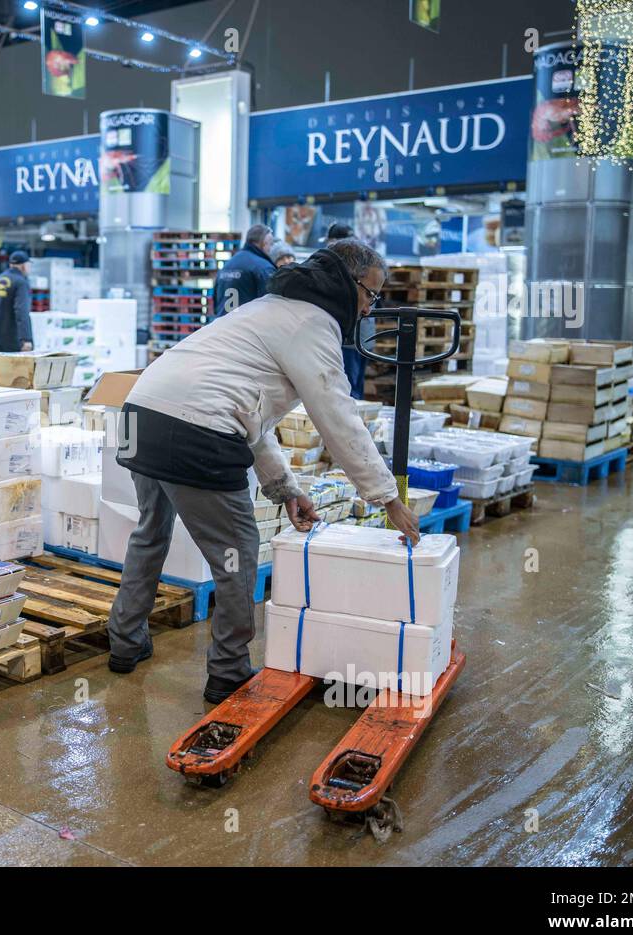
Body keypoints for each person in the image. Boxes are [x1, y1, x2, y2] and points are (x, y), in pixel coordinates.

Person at [105, 239, 421, 704]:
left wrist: (285, 488)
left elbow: (251, 419)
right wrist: (387, 498)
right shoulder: (313, 324)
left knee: (151, 532)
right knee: (237, 552)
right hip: (196, 430)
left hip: (141, 415)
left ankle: (124, 642)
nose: (370, 309)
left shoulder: (268, 309)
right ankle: (229, 671)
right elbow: (337, 416)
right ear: (345, 281)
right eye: (371, 295)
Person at [325, 223, 371, 398]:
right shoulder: (367, 258)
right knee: (356, 386)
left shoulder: (345, 263)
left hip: (348, 337)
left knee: (347, 390)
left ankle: (350, 424)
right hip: (363, 336)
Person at [0, 251, 34, 385]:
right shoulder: (21, 282)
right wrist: (26, 339)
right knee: (16, 378)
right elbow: (21, 311)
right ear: (23, 266)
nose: (29, 268)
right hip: (11, 339)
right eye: (29, 264)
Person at [213, 224, 275, 317]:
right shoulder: (263, 268)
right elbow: (271, 304)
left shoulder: (228, 265)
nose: (270, 249)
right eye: (270, 244)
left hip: (222, 326)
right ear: (264, 243)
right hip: (246, 328)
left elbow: (215, 301)